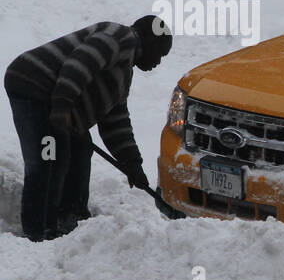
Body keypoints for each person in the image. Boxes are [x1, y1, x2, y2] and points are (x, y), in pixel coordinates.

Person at [4, 18, 173, 241]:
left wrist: (132, 164)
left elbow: (115, 121)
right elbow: (79, 64)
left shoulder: (123, 73)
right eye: (160, 53)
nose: (158, 62)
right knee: (52, 157)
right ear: (150, 40)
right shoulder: (120, 37)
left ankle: (71, 218)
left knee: (81, 150)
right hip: (33, 85)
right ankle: (39, 231)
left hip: (56, 102)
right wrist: (62, 105)